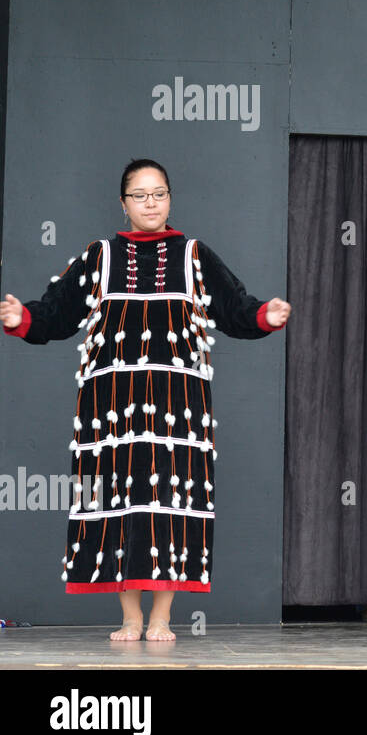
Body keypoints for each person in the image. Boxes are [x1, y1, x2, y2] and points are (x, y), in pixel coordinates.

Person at [1, 159, 290, 642]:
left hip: (178, 406)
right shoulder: (99, 256)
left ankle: (161, 617)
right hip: (111, 405)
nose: (150, 202)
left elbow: (235, 306)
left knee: (167, 501)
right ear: (124, 203)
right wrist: (21, 319)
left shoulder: (195, 254)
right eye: (140, 195)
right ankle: (130, 618)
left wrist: (266, 314)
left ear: (170, 199)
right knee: (119, 498)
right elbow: (56, 312)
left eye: (158, 194)